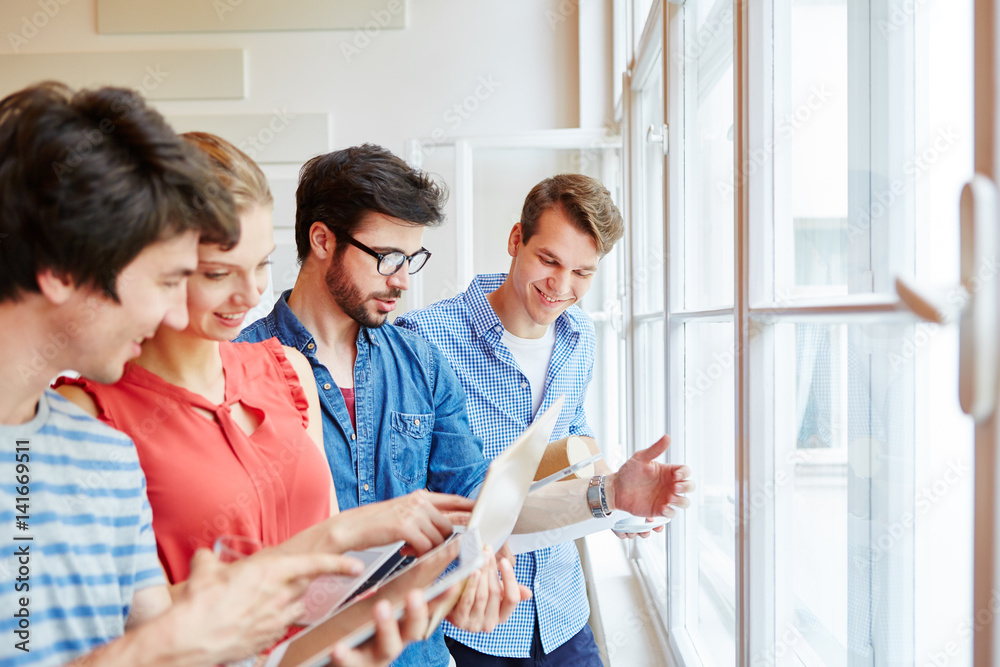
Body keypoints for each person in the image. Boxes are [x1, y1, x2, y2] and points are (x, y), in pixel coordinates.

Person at [0, 83, 428, 667]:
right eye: (167, 279)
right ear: (61, 270)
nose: (172, 311)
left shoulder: (96, 451)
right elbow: (154, 642)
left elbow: (152, 631)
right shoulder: (98, 420)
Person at [236, 144, 693, 667]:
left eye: (412, 260)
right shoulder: (237, 370)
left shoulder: (421, 364)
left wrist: (609, 496)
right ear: (322, 240)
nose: (403, 280)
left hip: (421, 653)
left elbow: (478, 506)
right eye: (388, 257)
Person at [55, 131, 466, 587]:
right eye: (218, 273)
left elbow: (328, 586)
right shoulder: (85, 417)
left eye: (262, 265)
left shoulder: (289, 371)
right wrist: (343, 534)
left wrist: (423, 596)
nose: (251, 294)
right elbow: (122, 615)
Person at [397, 174, 636, 664]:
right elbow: (402, 485)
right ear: (515, 240)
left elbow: (574, 429)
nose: (561, 286)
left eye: (582, 272)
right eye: (549, 260)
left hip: (563, 610)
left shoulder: (580, 336)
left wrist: (618, 499)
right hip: (474, 622)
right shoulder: (423, 338)